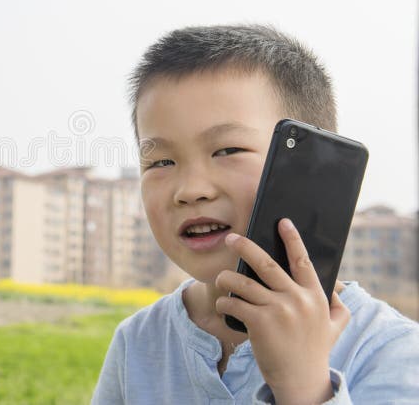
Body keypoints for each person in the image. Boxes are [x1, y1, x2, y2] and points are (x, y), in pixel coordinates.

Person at [91, 25, 419, 404]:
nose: (190, 190)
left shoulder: (391, 351)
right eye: (161, 161)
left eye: (227, 151)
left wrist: (304, 385)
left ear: (311, 163)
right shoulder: (137, 342)